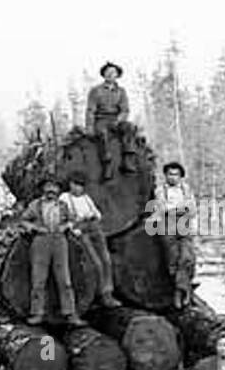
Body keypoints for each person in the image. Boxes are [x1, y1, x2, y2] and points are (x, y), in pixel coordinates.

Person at [19, 177, 87, 326]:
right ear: (43, 189)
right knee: (38, 279)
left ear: (58, 190)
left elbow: (72, 220)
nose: (51, 190)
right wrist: (35, 228)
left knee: (65, 279)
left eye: (54, 187)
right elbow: (23, 220)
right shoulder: (35, 205)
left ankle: (70, 314)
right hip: (41, 241)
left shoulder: (63, 205)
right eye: (48, 187)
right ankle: (37, 313)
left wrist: (66, 226)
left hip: (59, 241)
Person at [60, 172, 119, 306]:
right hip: (80, 229)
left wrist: (95, 217)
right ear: (70, 184)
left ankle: (109, 292)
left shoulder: (86, 198)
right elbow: (63, 217)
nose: (78, 188)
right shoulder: (65, 198)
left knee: (106, 260)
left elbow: (96, 212)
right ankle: (101, 294)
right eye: (75, 184)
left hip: (93, 226)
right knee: (96, 262)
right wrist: (74, 229)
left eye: (81, 185)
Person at [152, 161, 197, 309]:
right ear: (165, 175)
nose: (173, 177)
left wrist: (178, 209)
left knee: (187, 257)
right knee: (173, 259)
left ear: (181, 177)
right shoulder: (160, 190)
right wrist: (179, 208)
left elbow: (191, 208)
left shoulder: (186, 189)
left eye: (176, 174)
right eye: (170, 174)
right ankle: (184, 289)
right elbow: (162, 207)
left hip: (184, 224)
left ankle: (180, 292)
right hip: (167, 225)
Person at [85, 62, 138, 179]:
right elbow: (90, 110)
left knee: (129, 127)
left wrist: (119, 120)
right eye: (107, 72)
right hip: (101, 119)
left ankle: (128, 159)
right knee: (102, 134)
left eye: (113, 72)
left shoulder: (121, 91)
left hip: (116, 119)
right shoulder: (95, 91)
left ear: (117, 75)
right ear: (103, 74)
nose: (110, 74)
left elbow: (125, 109)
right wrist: (89, 127)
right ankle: (107, 163)